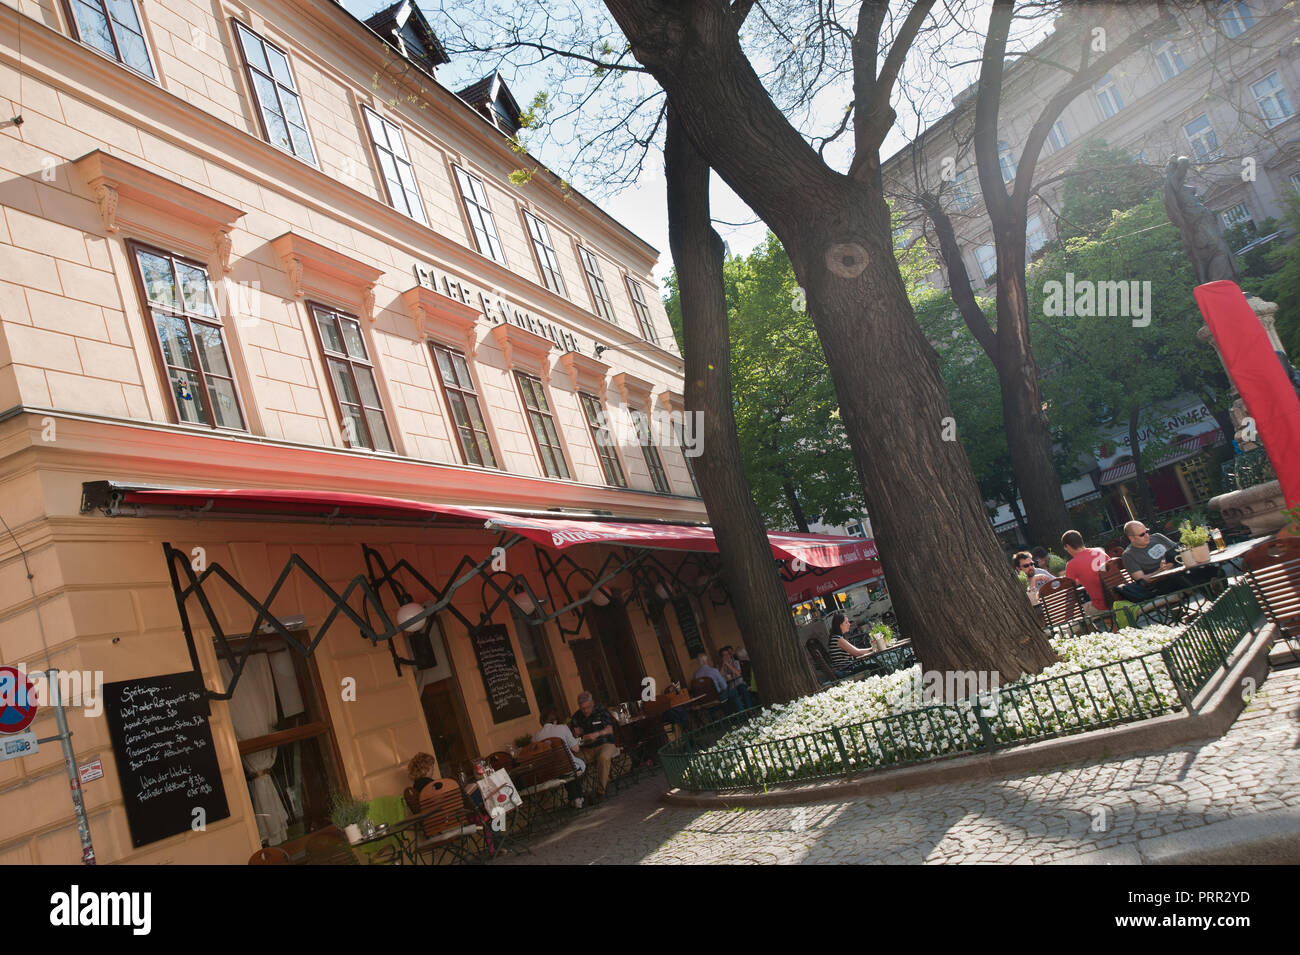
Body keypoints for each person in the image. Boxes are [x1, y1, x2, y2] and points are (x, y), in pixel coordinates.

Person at [1121, 520, 1220, 596]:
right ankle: (1218, 606)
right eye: (1142, 535)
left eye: (1147, 531)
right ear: (1132, 538)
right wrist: (1161, 570)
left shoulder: (1157, 537)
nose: (1147, 536)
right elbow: (1142, 580)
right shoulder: (1129, 555)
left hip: (1182, 569)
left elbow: (1178, 549)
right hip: (1163, 582)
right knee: (1197, 580)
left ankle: (1223, 601)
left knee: (1214, 570)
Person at [569, 691, 618, 803]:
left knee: (603, 758)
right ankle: (579, 796)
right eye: (583, 708)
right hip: (586, 749)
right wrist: (575, 733)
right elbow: (573, 736)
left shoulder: (602, 711)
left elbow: (610, 729)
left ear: (593, 703)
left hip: (605, 744)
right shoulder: (577, 716)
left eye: (588, 707)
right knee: (572, 762)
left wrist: (596, 734)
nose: (585, 711)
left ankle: (600, 792)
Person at [534, 710, 585, 808]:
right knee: (575, 767)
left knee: (565, 770)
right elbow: (576, 749)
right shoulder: (562, 728)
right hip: (568, 767)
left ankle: (575, 798)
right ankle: (578, 797)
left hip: (551, 771)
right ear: (555, 721)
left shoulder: (536, 736)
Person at [1061, 530, 1115, 613]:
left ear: (1067, 546)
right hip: (1118, 598)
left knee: (1080, 612)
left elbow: (1070, 591)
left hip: (1102, 606)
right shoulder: (1099, 551)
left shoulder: (1072, 565)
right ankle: (1113, 624)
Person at [826, 612, 873, 677]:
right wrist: (874, 648)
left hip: (846, 669)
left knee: (873, 666)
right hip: (846, 672)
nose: (849, 624)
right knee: (875, 667)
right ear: (840, 625)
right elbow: (857, 652)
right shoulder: (838, 639)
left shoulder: (837, 638)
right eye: (846, 622)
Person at [718, 646, 755, 711]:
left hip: (740, 683)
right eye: (724, 655)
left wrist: (728, 664)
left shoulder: (736, 662)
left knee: (743, 689)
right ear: (722, 657)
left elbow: (738, 674)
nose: (727, 656)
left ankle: (751, 710)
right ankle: (742, 714)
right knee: (732, 695)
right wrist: (724, 665)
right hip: (731, 687)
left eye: (727, 654)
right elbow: (720, 677)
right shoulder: (722, 667)